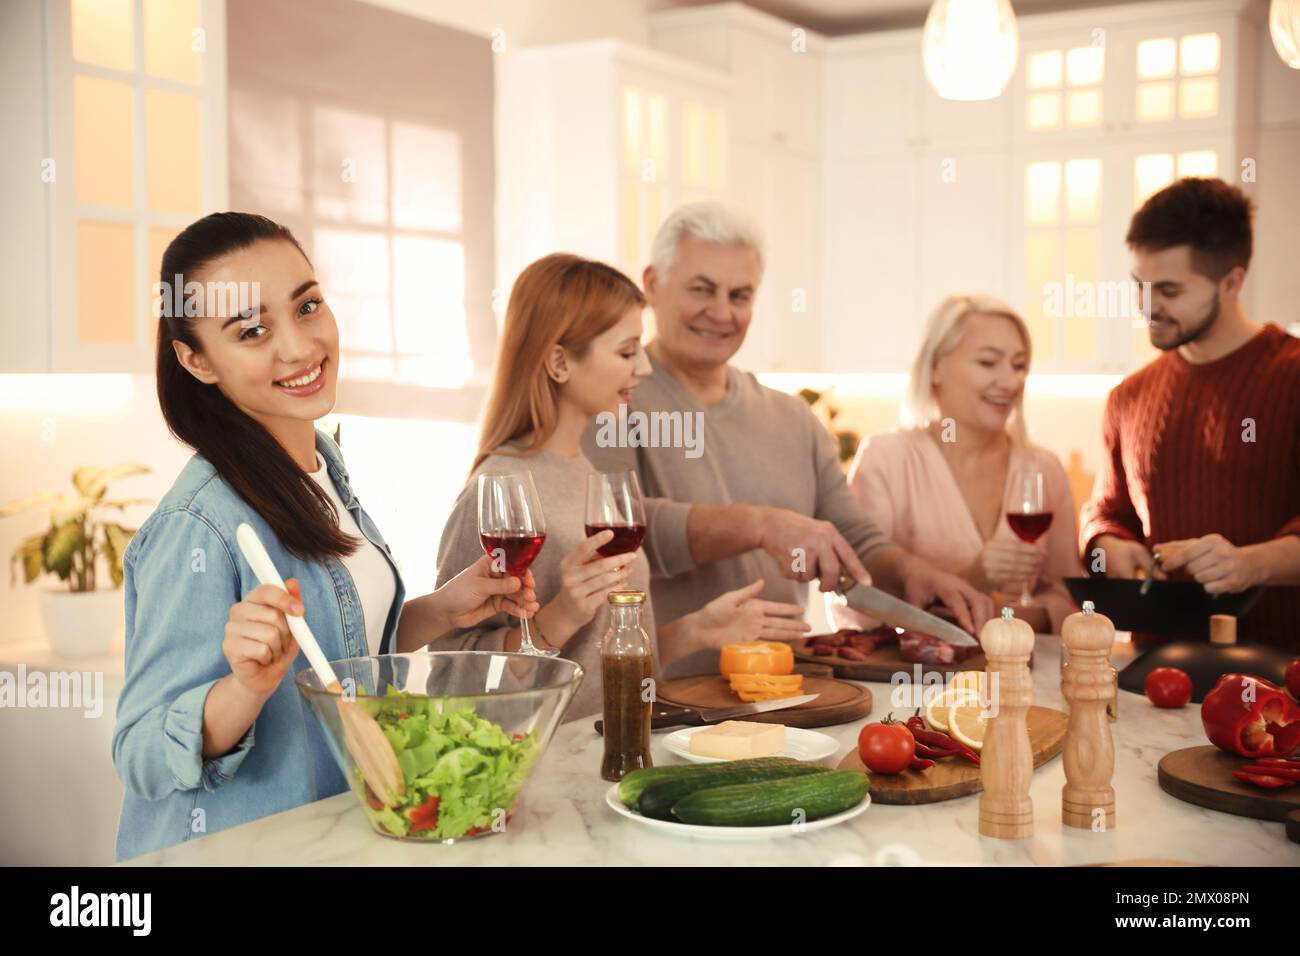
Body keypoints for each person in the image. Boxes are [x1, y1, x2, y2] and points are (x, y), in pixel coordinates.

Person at [113, 213, 537, 860]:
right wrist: (246, 687)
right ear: (197, 360)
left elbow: (338, 648)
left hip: (337, 840)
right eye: (251, 331)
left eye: (307, 306)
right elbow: (141, 752)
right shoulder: (197, 526)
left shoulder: (320, 467)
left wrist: (441, 609)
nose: (299, 346)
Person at [582, 202, 993, 676]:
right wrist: (761, 525)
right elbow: (618, 529)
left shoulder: (793, 417)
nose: (721, 312)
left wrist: (911, 573)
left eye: (740, 295)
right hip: (668, 700)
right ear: (652, 285)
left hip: (789, 696)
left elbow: (853, 537)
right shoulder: (612, 402)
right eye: (702, 289)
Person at [434, 254, 797, 717]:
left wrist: (696, 631)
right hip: (542, 775)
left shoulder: (588, 474)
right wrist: (561, 615)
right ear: (560, 362)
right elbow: (453, 679)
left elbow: (592, 659)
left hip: (609, 762)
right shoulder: (499, 490)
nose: (643, 368)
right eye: (627, 352)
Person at [1080, 177, 1300, 651]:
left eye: (1169, 291)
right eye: (1139, 286)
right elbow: (1105, 512)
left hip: (1280, 683)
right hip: (1153, 679)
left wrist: (1250, 564)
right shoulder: (1128, 397)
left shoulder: (1292, 377)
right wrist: (1107, 545)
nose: (1147, 307)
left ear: (1232, 281)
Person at [833, 294, 1081, 635]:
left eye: (1019, 365)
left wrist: (998, 613)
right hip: (914, 682)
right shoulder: (886, 459)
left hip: (1021, 676)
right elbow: (858, 600)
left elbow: (1067, 601)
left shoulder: (1043, 468)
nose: (1010, 381)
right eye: (988, 363)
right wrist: (972, 582)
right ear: (936, 368)